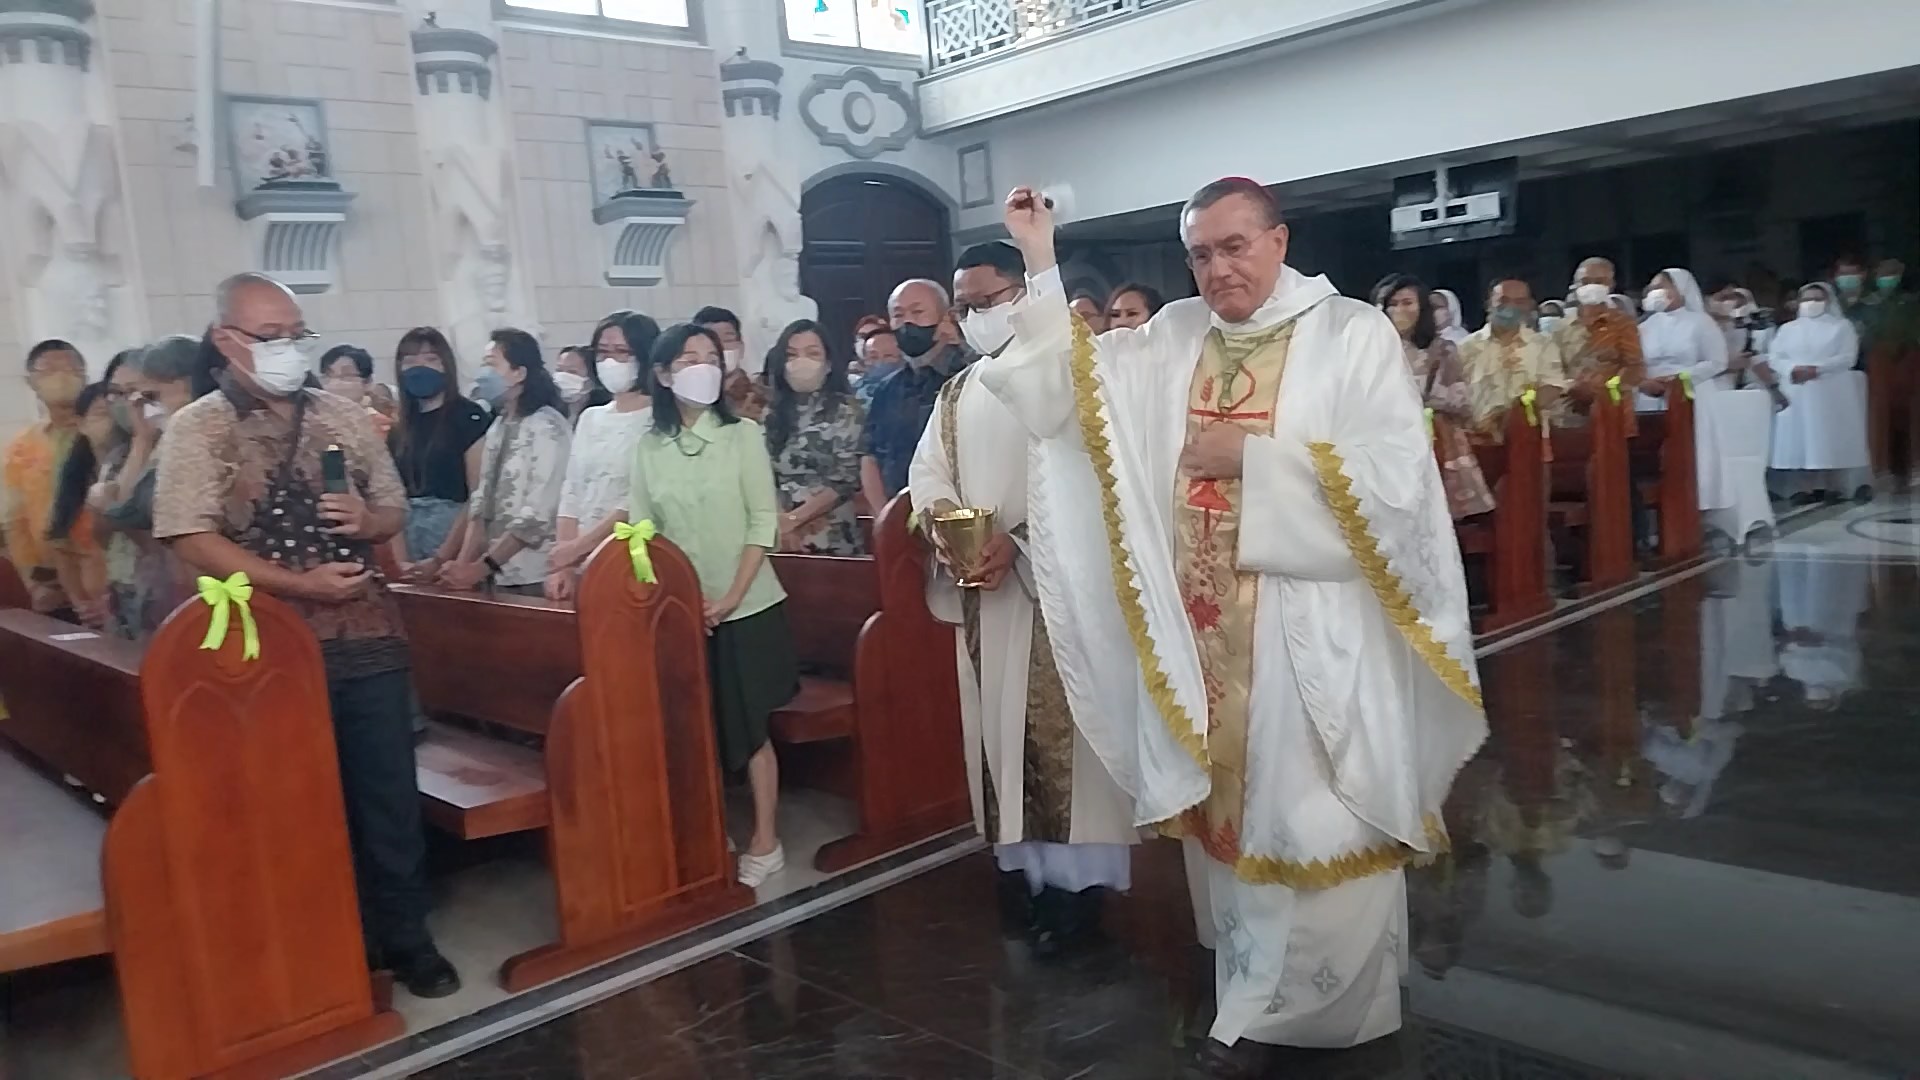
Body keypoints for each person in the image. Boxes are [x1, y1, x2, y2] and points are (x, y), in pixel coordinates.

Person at [992, 180, 1485, 1067]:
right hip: (1206, 631)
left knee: (1314, 811)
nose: (1217, 268)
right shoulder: (1177, 337)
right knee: (1234, 814)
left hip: (1312, 628)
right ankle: (1249, 993)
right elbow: (1071, 397)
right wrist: (1038, 256)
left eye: (1234, 246)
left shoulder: (1349, 335)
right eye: (1200, 254)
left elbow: (1396, 483)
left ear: (1279, 240)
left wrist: (1255, 457)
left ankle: (1320, 1015)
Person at [153, 272, 458, 997]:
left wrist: (368, 519)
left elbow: (392, 505)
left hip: (366, 631)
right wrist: (295, 585)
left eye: (298, 336)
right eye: (272, 338)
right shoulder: (199, 426)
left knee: (386, 793)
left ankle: (408, 938)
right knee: (294, 802)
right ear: (226, 340)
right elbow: (189, 536)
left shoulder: (342, 416)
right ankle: (329, 941)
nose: (289, 349)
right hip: (262, 647)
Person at [912, 240, 1136, 954]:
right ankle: (1024, 877)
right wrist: (951, 530)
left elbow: (1103, 483)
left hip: (1056, 597)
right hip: (987, 596)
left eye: (990, 300)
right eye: (967, 306)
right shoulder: (958, 391)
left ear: (1025, 295)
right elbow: (929, 473)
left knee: (1060, 748)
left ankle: (1079, 896)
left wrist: (1025, 543)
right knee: (1003, 745)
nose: (977, 315)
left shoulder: (1073, 379)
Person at [629, 323, 798, 887]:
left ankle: (766, 838)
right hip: (682, 612)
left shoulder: (742, 436)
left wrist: (727, 597)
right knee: (696, 725)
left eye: (710, 356)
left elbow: (762, 522)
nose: (701, 366)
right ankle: (710, 832)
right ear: (661, 374)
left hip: (747, 604)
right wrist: (669, 597)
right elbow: (642, 528)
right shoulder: (649, 446)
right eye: (687, 358)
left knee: (749, 728)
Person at [441, 329, 572, 595]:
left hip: (534, 573)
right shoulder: (499, 425)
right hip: (494, 574)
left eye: (491, 364)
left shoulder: (547, 426)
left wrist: (481, 567)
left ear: (519, 373)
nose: (482, 374)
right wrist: (463, 565)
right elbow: (481, 503)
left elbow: (539, 513)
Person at [547, 313, 659, 599]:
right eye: (603, 353)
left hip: (632, 556)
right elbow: (572, 490)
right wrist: (565, 561)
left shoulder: (659, 420)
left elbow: (636, 499)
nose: (611, 362)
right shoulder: (591, 417)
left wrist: (580, 546)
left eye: (622, 352)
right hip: (581, 559)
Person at [93, 334, 199, 639]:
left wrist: (109, 505)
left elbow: (125, 515)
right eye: (124, 395)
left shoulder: (198, 443)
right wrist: (142, 439)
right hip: (142, 585)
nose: (137, 404)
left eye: (150, 396)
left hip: (188, 584)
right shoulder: (148, 444)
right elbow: (122, 513)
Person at [1374, 273, 1493, 519]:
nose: (1399, 310)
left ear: (1422, 308)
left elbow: (1460, 400)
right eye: (1392, 304)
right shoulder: (1369, 351)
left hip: (1430, 440)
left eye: (1407, 303)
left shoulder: (1442, 350)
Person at [3, 339, 103, 619]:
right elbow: (16, 522)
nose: (61, 376)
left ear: (85, 374)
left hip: (104, 573)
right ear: (31, 381)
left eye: (70, 367)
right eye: (48, 370)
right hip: (53, 578)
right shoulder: (21, 448)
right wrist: (33, 584)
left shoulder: (103, 432)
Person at [859, 279, 975, 513]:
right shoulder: (887, 388)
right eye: (898, 315)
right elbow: (869, 457)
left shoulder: (970, 375)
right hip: (901, 521)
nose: (907, 323)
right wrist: (886, 515)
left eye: (918, 312)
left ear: (945, 317)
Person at [389, 327, 491, 580]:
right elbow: (390, 496)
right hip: (410, 534)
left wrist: (442, 557)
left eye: (430, 359)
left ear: (446, 365)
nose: (419, 367)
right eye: (410, 361)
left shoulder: (469, 416)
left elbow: (478, 496)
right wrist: (400, 561)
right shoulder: (400, 428)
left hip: (454, 538)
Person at [1637, 267, 1735, 517]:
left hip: (1692, 393)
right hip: (1652, 395)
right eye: (1653, 286)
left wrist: (1679, 379)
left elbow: (1717, 361)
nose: (1656, 291)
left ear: (1681, 290)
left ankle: (1695, 507)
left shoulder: (1700, 322)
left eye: (1663, 286)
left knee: (1694, 451)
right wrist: (1648, 382)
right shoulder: (1644, 326)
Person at [765, 319, 866, 555]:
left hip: (831, 531)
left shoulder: (847, 409)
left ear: (828, 364)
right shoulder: (770, 413)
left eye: (812, 354)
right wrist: (780, 520)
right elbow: (763, 474)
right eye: (791, 355)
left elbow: (845, 479)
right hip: (778, 531)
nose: (801, 362)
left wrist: (794, 518)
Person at [1769, 282, 1868, 502]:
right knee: (1801, 439)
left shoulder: (1841, 326)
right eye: (1806, 299)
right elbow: (1775, 357)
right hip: (1797, 389)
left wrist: (1817, 370)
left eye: (1816, 298)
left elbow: (1847, 357)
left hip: (1830, 390)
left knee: (1828, 436)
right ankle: (1806, 488)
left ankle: (1834, 486)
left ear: (1827, 301)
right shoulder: (1788, 329)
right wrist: (1793, 369)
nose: (1811, 303)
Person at [44, 381, 116, 627]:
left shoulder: (139, 469)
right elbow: (61, 547)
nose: (113, 422)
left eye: (118, 412)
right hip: (92, 612)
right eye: (102, 414)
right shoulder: (74, 480)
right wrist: (80, 603)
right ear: (81, 424)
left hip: (132, 600)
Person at [1459, 277, 1569, 436]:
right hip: (1479, 437)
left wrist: (1511, 415)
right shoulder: (1465, 347)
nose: (1510, 307)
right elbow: (1456, 397)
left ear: (1530, 306)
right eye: (1503, 300)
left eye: (1520, 302)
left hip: (1529, 435)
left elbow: (1552, 385)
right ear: (1488, 304)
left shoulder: (1543, 344)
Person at [1554, 257, 1647, 430]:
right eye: (1585, 282)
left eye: (1599, 282)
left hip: (1613, 413)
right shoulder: (1561, 327)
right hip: (1569, 414)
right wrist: (1570, 386)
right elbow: (1552, 368)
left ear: (1610, 285)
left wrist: (1602, 390)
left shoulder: (1623, 324)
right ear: (1574, 286)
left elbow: (1635, 367)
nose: (1591, 286)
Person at [692, 305, 768, 422]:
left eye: (728, 340)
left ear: (741, 347)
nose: (721, 347)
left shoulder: (763, 395)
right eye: (712, 340)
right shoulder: (689, 399)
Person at [853, 321, 902, 408]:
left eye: (888, 356)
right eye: (873, 357)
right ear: (865, 360)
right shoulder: (852, 390)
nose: (880, 361)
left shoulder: (911, 393)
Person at [551, 344, 595, 423]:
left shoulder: (598, 414)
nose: (563, 377)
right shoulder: (550, 411)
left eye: (572, 372)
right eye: (559, 370)